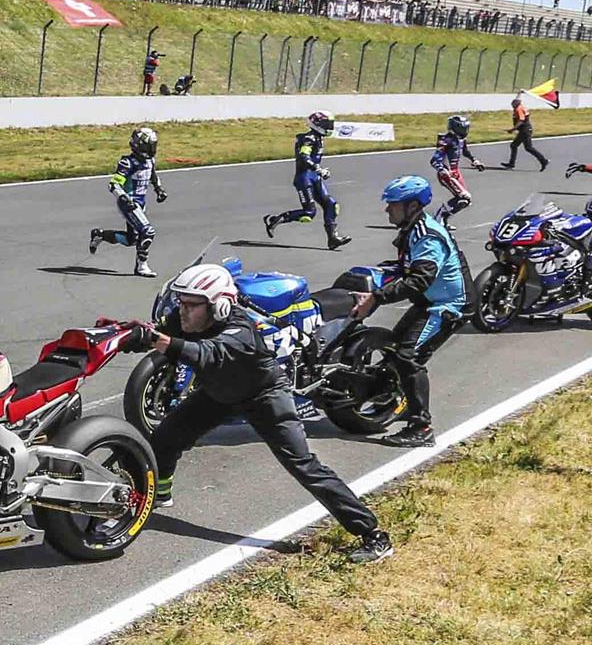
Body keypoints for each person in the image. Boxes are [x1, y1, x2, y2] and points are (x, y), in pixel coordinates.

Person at [143, 264, 392, 563]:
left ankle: (373, 534)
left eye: (192, 305)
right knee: (165, 438)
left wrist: (163, 342)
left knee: (304, 466)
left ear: (219, 305)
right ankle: (159, 494)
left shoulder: (240, 329)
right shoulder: (185, 319)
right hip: (220, 393)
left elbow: (206, 353)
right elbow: (155, 334)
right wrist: (129, 333)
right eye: (181, 303)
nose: (182, 311)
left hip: (264, 397)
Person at [348, 175, 466, 448]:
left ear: (412, 206)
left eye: (393, 204)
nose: (387, 209)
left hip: (447, 305)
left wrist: (376, 298)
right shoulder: (412, 229)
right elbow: (407, 268)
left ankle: (421, 427)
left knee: (407, 357)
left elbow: (419, 280)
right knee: (393, 349)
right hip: (429, 300)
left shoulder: (427, 235)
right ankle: (389, 398)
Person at [88, 127, 167, 278]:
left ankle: (100, 235)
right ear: (139, 146)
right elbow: (114, 184)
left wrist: (159, 189)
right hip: (128, 203)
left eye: (153, 145)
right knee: (148, 231)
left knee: (131, 240)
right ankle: (141, 266)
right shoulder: (127, 162)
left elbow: (153, 175)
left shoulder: (150, 161)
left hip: (140, 203)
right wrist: (123, 197)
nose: (152, 149)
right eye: (149, 145)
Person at [265, 111, 351, 248]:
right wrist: (319, 169)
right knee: (309, 213)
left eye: (330, 124)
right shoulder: (308, 138)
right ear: (317, 124)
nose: (329, 127)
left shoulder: (319, 137)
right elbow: (304, 156)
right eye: (326, 124)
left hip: (315, 178)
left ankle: (333, 238)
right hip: (304, 179)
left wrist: (320, 171)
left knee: (331, 205)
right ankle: (275, 220)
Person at [428, 115, 475, 223]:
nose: (466, 131)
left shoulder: (461, 140)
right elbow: (434, 160)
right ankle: (438, 216)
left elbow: (465, 151)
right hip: (447, 174)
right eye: (463, 128)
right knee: (465, 197)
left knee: (464, 200)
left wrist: (474, 161)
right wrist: (442, 170)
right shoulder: (446, 140)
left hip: (456, 173)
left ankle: (443, 219)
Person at [504, 91, 551, 170]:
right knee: (527, 147)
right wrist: (520, 93)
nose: (512, 105)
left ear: (516, 104)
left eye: (513, 104)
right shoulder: (520, 106)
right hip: (526, 130)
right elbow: (518, 99)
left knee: (516, 145)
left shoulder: (519, 109)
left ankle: (512, 164)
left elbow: (521, 120)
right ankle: (543, 161)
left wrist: (513, 129)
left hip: (525, 130)